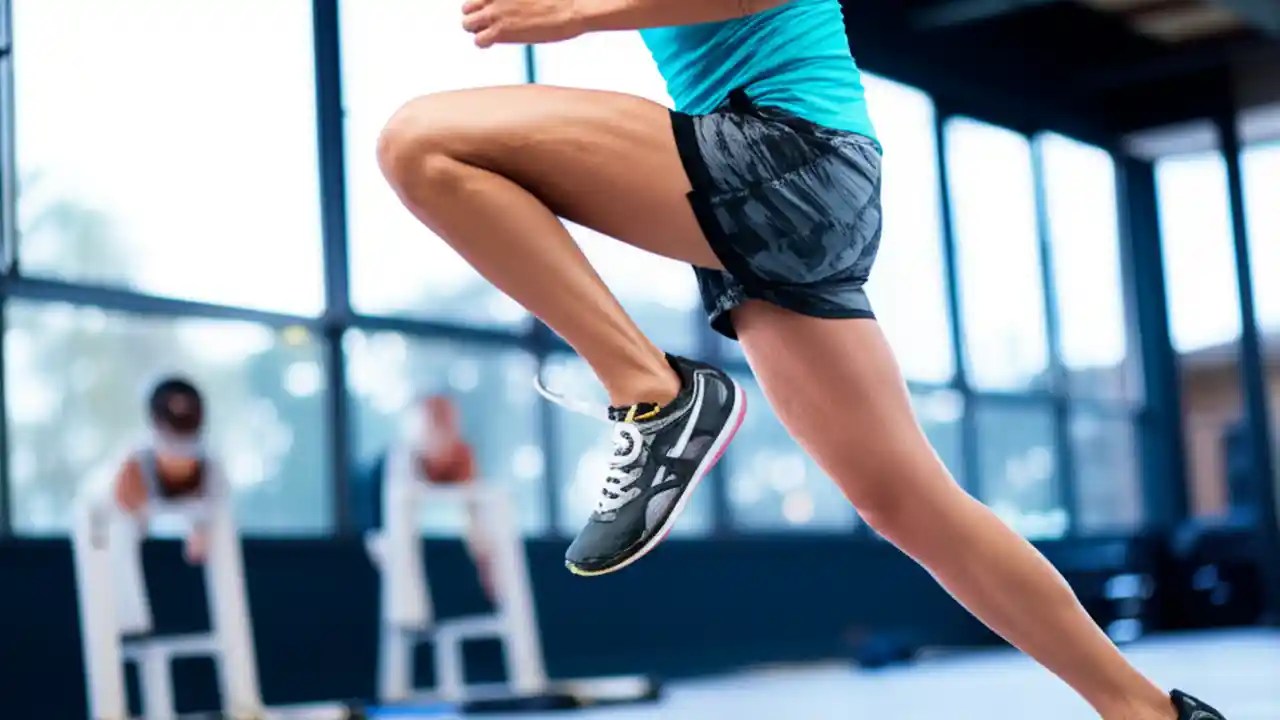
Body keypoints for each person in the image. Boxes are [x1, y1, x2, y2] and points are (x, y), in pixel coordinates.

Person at [373, 1, 1228, 717]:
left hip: (784, 152)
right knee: (907, 504)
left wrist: (580, 14)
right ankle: (1149, 712)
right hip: (774, 197)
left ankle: (653, 393)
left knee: (421, 142)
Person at [353, 395, 498, 600]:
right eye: (437, 426)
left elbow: (479, 526)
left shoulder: (462, 457)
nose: (444, 434)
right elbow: (379, 538)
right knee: (389, 551)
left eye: (449, 426)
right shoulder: (392, 464)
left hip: (453, 559)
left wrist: (489, 570)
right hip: (388, 538)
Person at [112, 377, 219, 565]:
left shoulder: (211, 469)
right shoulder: (133, 465)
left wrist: (202, 530)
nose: (177, 453)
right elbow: (123, 509)